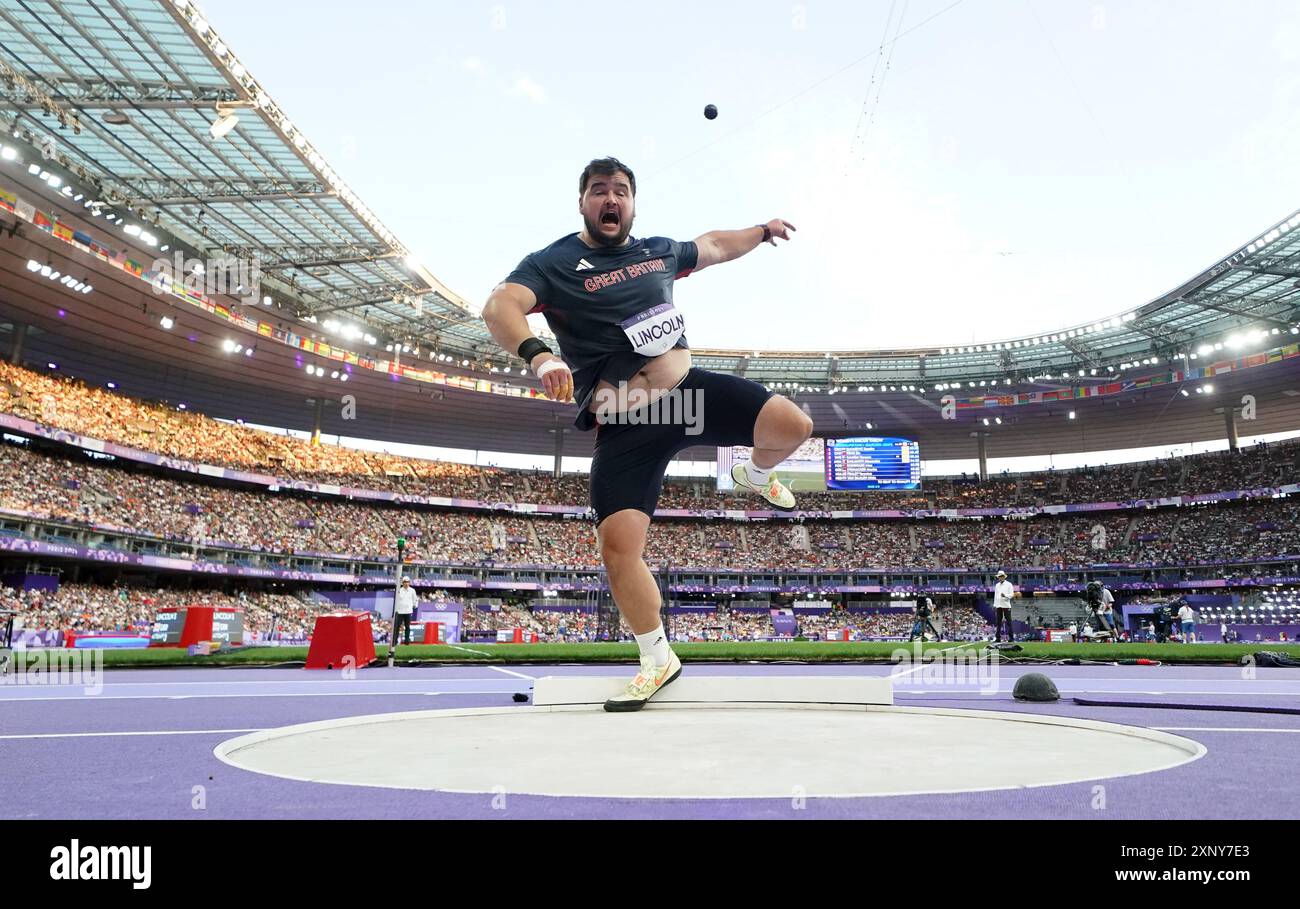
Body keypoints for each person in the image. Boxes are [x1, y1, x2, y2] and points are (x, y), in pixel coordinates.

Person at [483, 158, 811, 712]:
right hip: (624, 420)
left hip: (688, 396)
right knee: (618, 550)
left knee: (795, 426)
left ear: (632, 203)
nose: (610, 199)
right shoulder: (554, 262)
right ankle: (657, 659)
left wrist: (762, 230)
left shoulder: (657, 251)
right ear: (583, 202)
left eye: (621, 191)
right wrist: (539, 356)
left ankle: (753, 472)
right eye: (598, 191)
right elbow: (500, 306)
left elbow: (714, 245)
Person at [992, 570, 1015, 642]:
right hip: (998, 605)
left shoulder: (1009, 584)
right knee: (998, 622)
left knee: (1009, 622)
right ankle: (998, 638)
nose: (1000, 578)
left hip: (1006, 605)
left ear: (1004, 577)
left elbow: (1011, 595)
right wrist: (995, 604)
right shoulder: (997, 585)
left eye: (1001, 576)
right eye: (999, 577)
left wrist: (1005, 595)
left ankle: (1011, 638)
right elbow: (996, 596)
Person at [393, 576, 416, 646]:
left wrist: (413, 606)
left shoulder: (412, 590)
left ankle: (407, 641)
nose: (406, 583)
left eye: (407, 582)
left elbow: (414, 600)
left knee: (407, 627)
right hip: (399, 611)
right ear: (402, 583)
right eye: (405, 582)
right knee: (397, 627)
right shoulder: (399, 590)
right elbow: (396, 600)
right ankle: (395, 641)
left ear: (409, 583)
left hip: (408, 611)